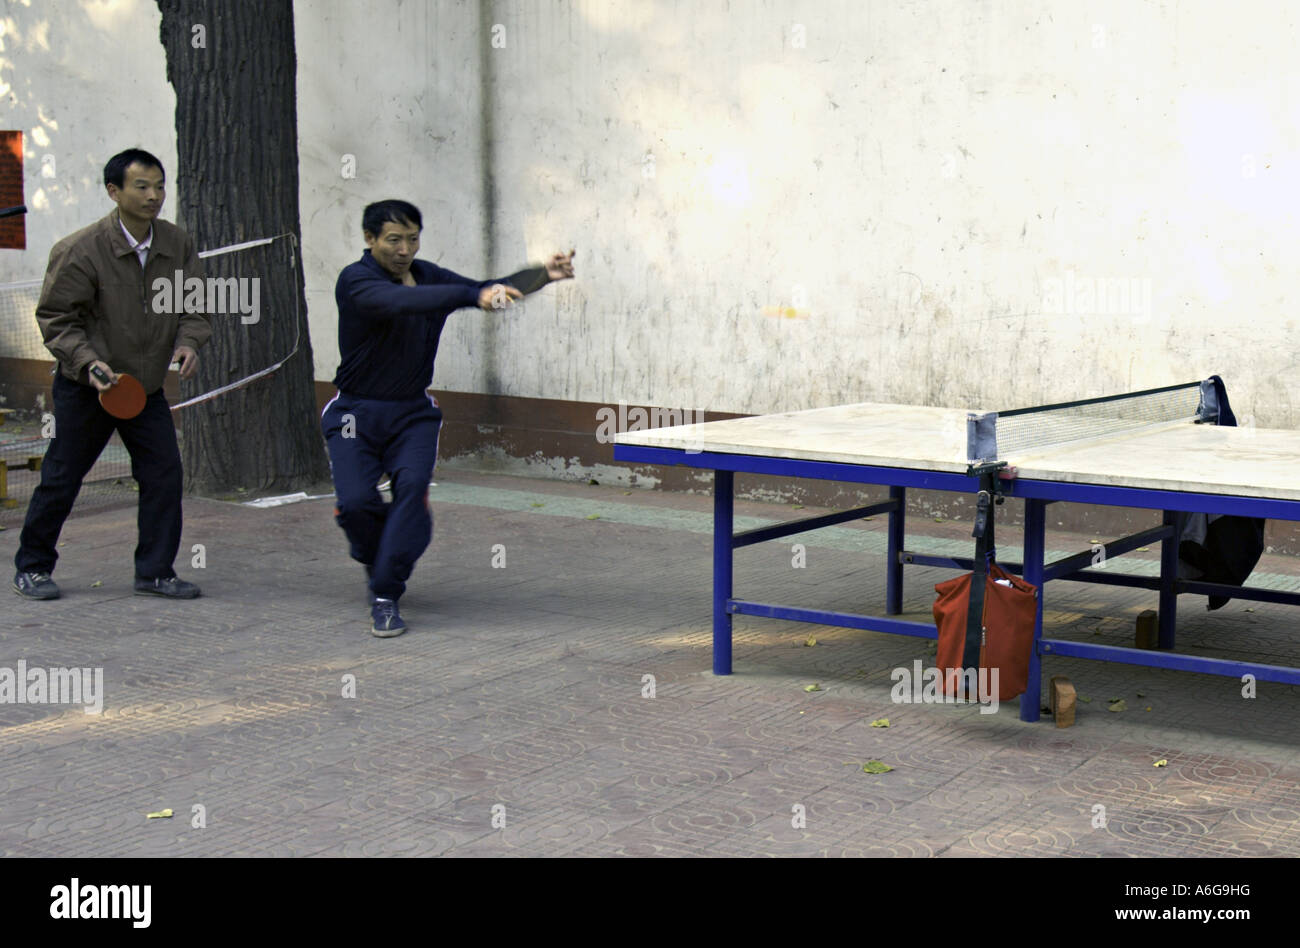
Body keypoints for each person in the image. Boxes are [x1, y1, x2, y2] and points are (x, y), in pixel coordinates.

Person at [324, 199, 574, 636]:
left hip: (412, 415)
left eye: (413, 239)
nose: (405, 250)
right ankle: (376, 553)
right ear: (370, 239)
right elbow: (404, 302)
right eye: (394, 240)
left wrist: (538, 276)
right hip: (354, 412)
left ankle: (385, 592)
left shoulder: (428, 275)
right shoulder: (356, 280)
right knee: (356, 504)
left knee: (412, 492)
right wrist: (471, 296)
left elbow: (485, 288)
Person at [12, 148, 209, 601]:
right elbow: (58, 319)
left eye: (159, 186)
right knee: (62, 478)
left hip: (147, 389)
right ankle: (33, 567)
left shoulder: (177, 244)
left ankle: (155, 572)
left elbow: (195, 306)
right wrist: (88, 362)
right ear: (113, 191)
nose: (154, 196)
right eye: (142, 186)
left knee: (164, 475)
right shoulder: (80, 250)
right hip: (88, 389)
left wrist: (189, 342)